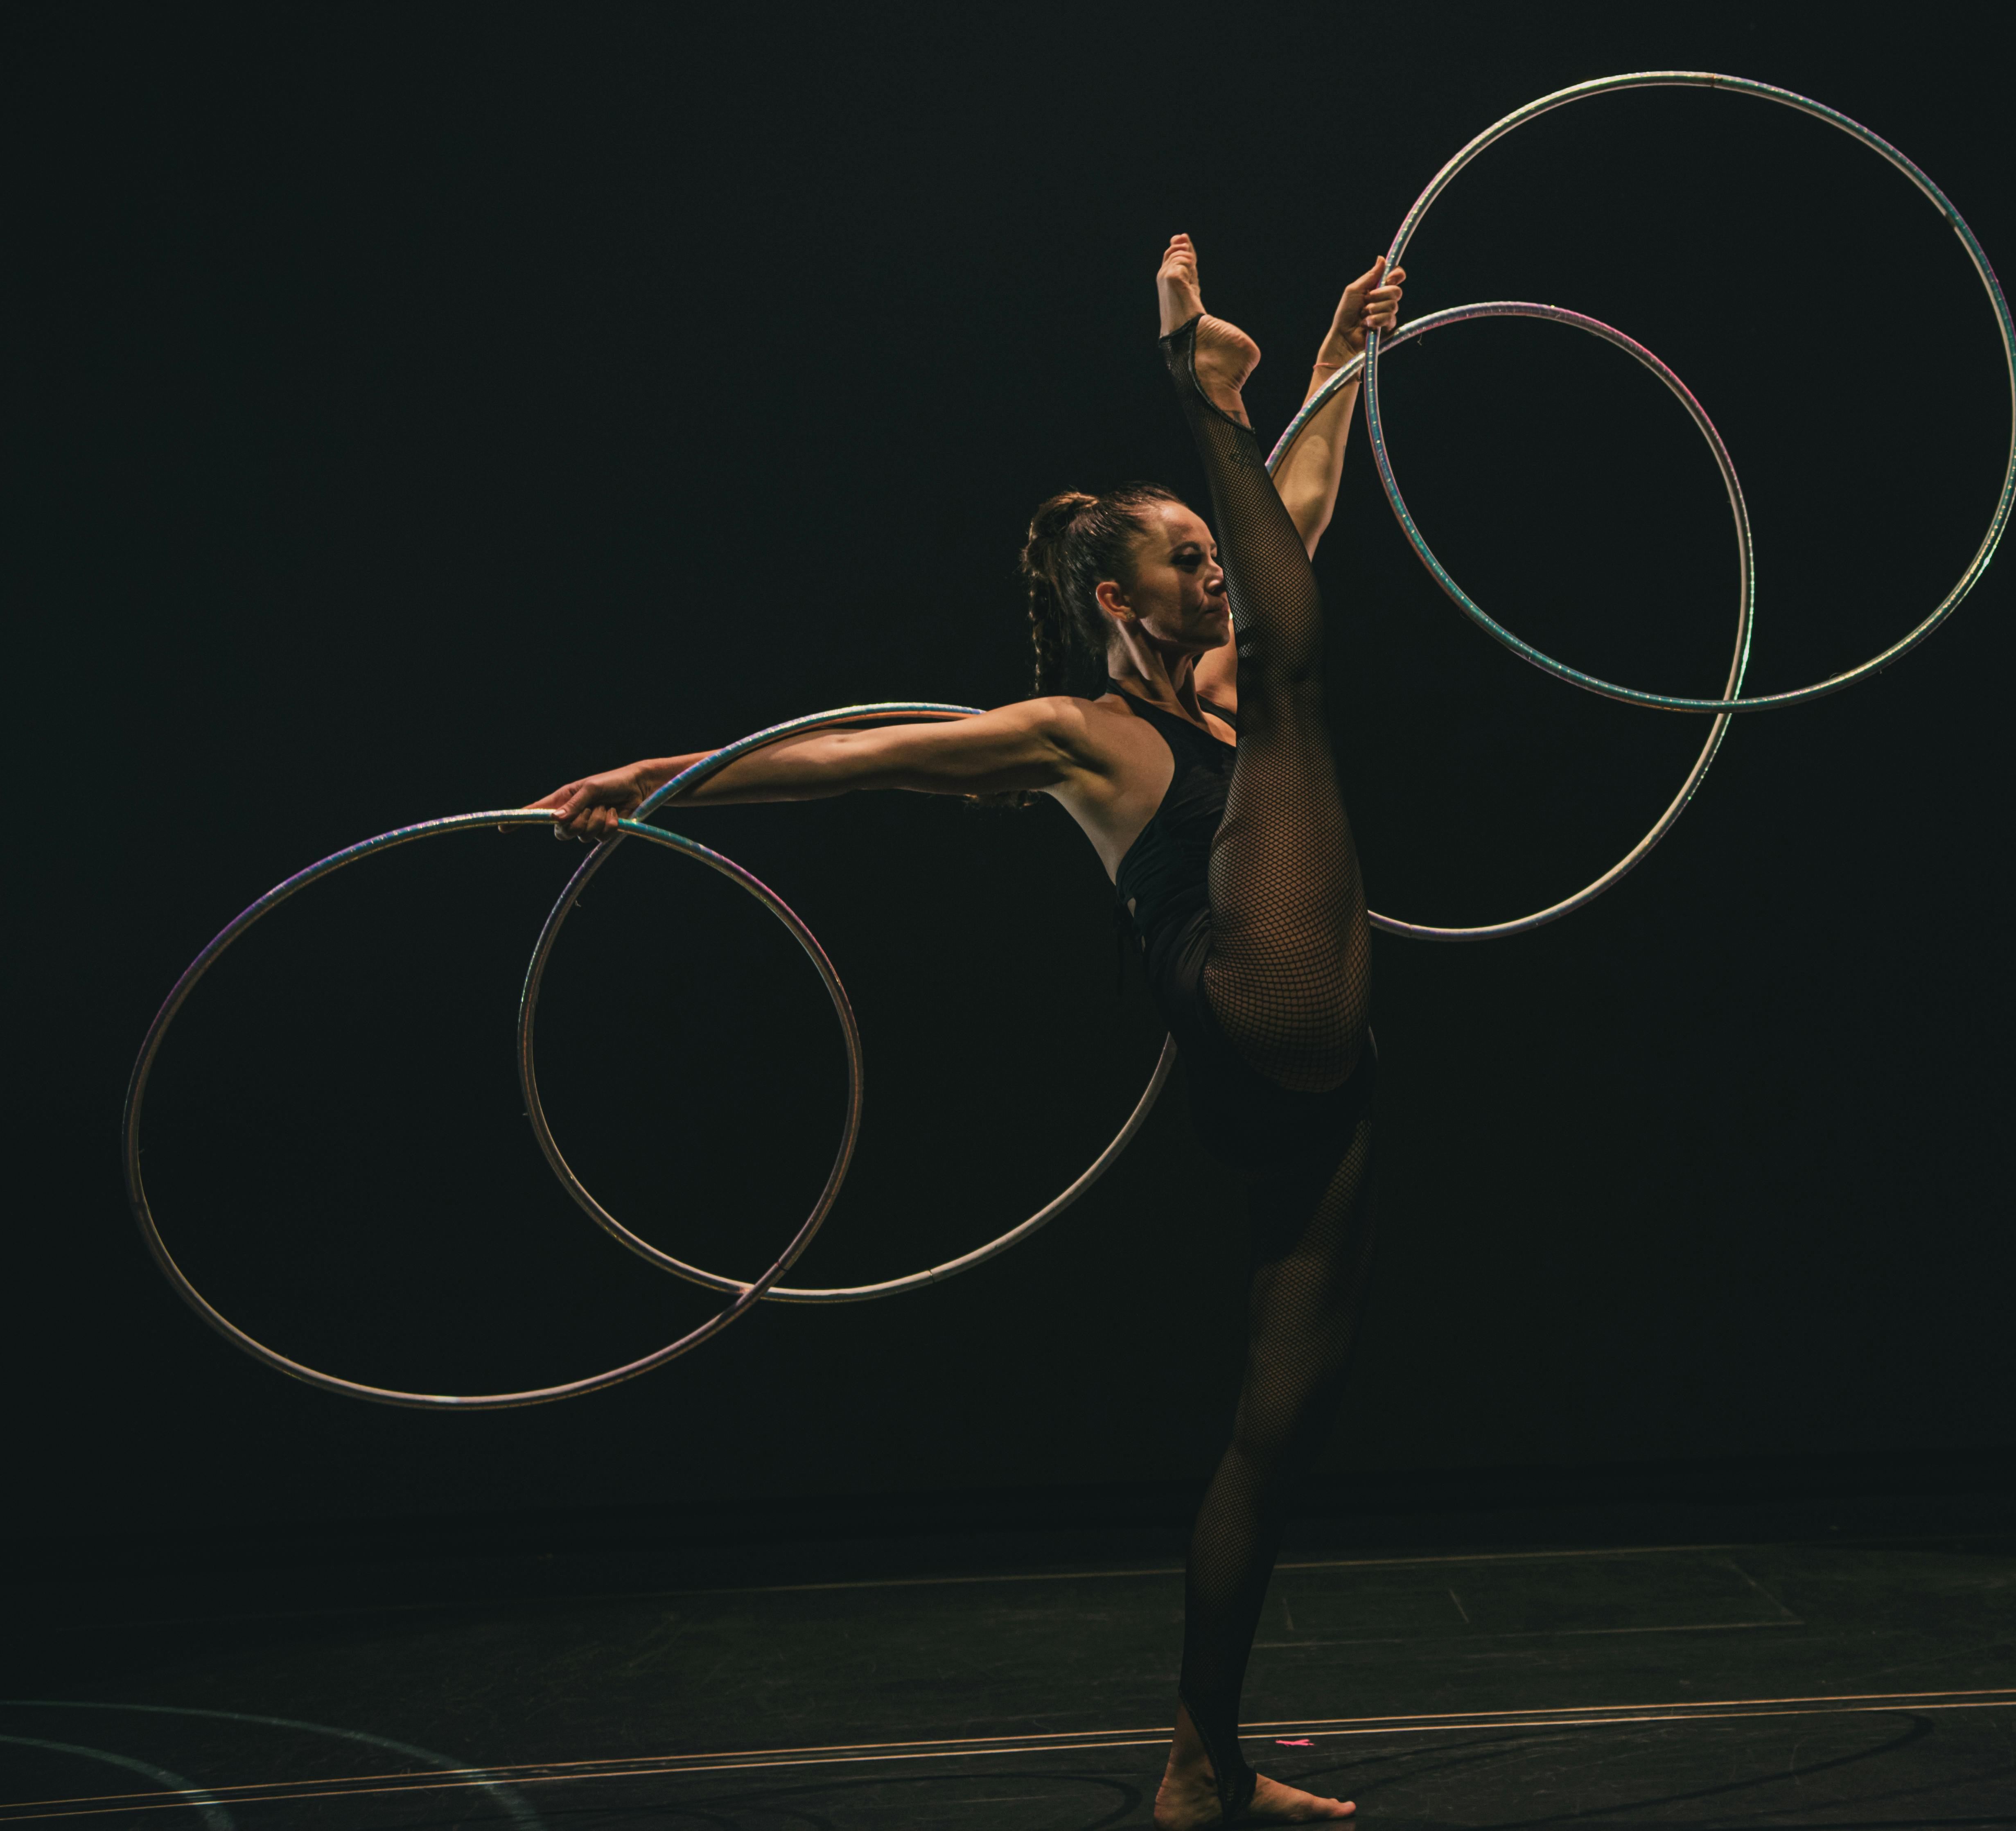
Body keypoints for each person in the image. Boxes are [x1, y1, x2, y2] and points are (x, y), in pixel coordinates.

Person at [529, 238, 1403, 1829]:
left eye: (1220, 549)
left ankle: (1202, 1758)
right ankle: (1193, 386)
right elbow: (851, 758)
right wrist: (655, 784)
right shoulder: (1080, 736)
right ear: (1106, 593)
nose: (1215, 568)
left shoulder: (1223, 672)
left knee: (1275, 1434)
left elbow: (1304, 512)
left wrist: (1350, 354)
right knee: (1297, 668)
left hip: (1316, 1092)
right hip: (1246, 1001)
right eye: (1185, 554)